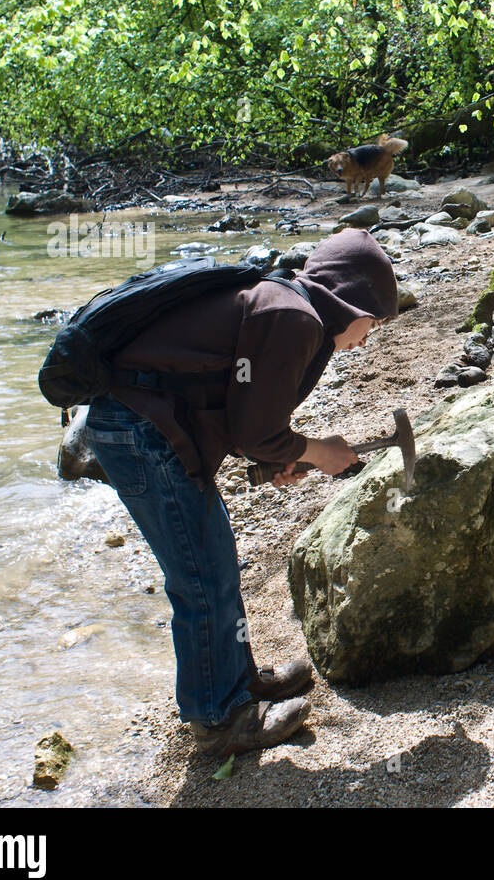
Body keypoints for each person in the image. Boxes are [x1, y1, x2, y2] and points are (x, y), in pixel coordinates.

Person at [84, 229, 399, 757]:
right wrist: (317, 452)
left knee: (214, 565)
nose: (370, 336)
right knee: (200, 574)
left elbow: (245, 412)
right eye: (375, 321)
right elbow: (255, 431)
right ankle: (219, 717)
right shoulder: (293, 318)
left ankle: (236, 681)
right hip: (140, 430)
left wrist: (284, 456)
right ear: (351, 299)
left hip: (152, 426)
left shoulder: (292, 310)